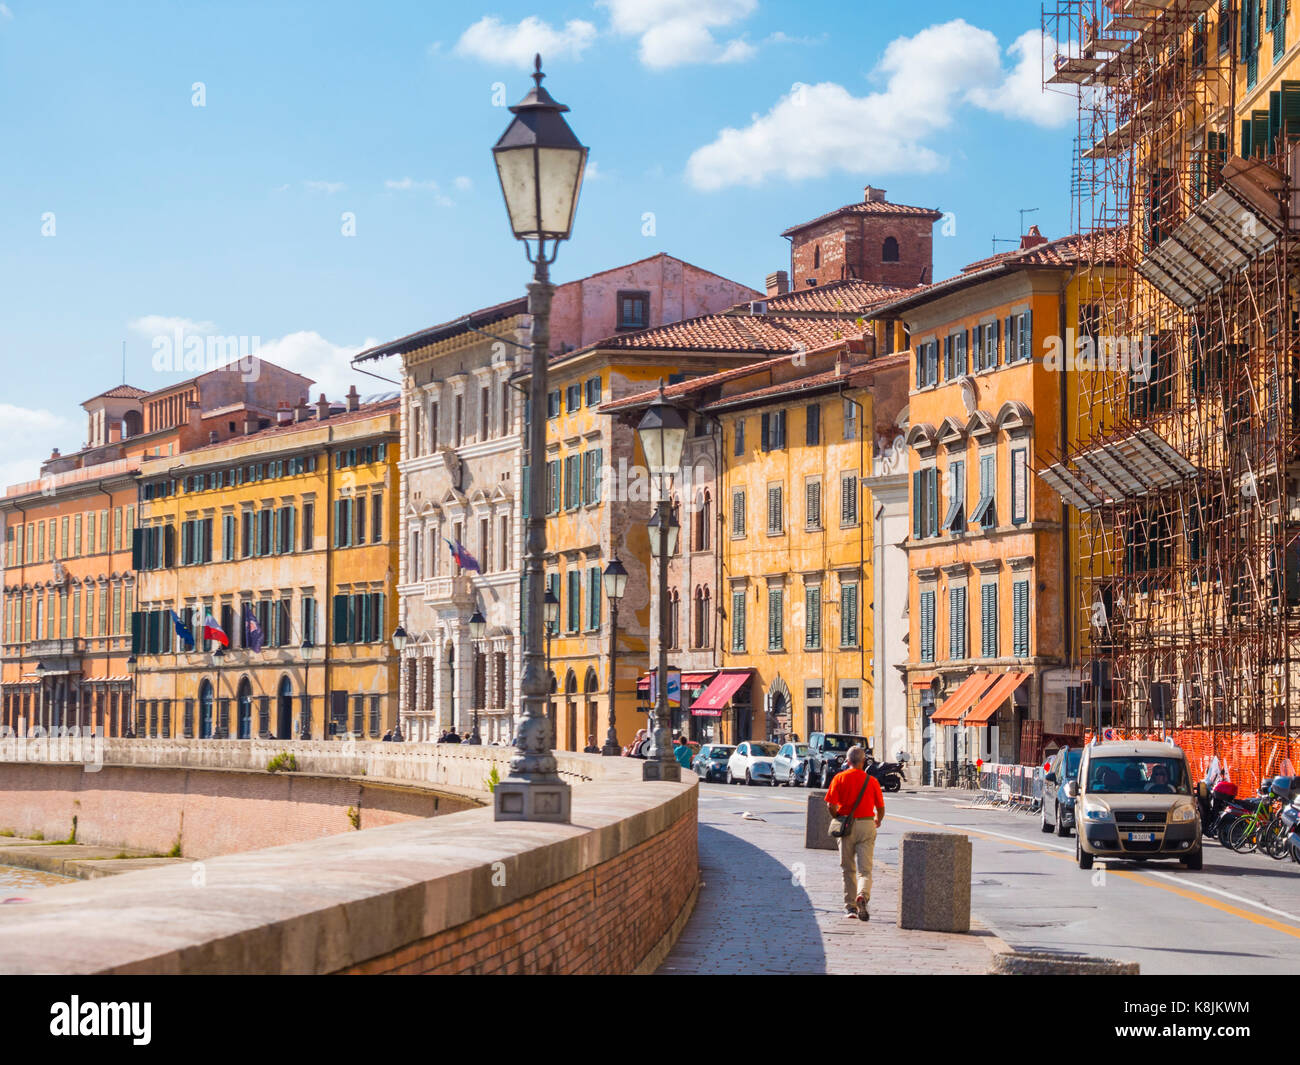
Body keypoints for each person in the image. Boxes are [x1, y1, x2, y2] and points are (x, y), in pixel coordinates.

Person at [824, 745, 885, 921]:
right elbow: (880, 808)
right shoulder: (871, 781)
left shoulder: (839, 778)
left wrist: (837, 817)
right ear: (863, 761)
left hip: (847, 826)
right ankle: (862, 895)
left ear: (848, 761)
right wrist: (878, 820)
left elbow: (830, 805)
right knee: (865, 870)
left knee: (848, 868)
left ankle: (851, 907)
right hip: (867, 824)